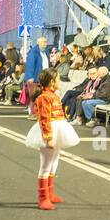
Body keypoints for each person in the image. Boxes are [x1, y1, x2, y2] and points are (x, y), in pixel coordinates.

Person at [28, 68, 77, 210]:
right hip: (49, 132)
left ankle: (50, 193)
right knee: (45, 165)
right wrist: (48, 138)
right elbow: (44, 119)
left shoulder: (53, 95)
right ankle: (42, 198)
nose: (60, 82)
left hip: (58, 129)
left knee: (54, 162)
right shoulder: (44, 97)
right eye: (58, 79)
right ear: (51, 82)